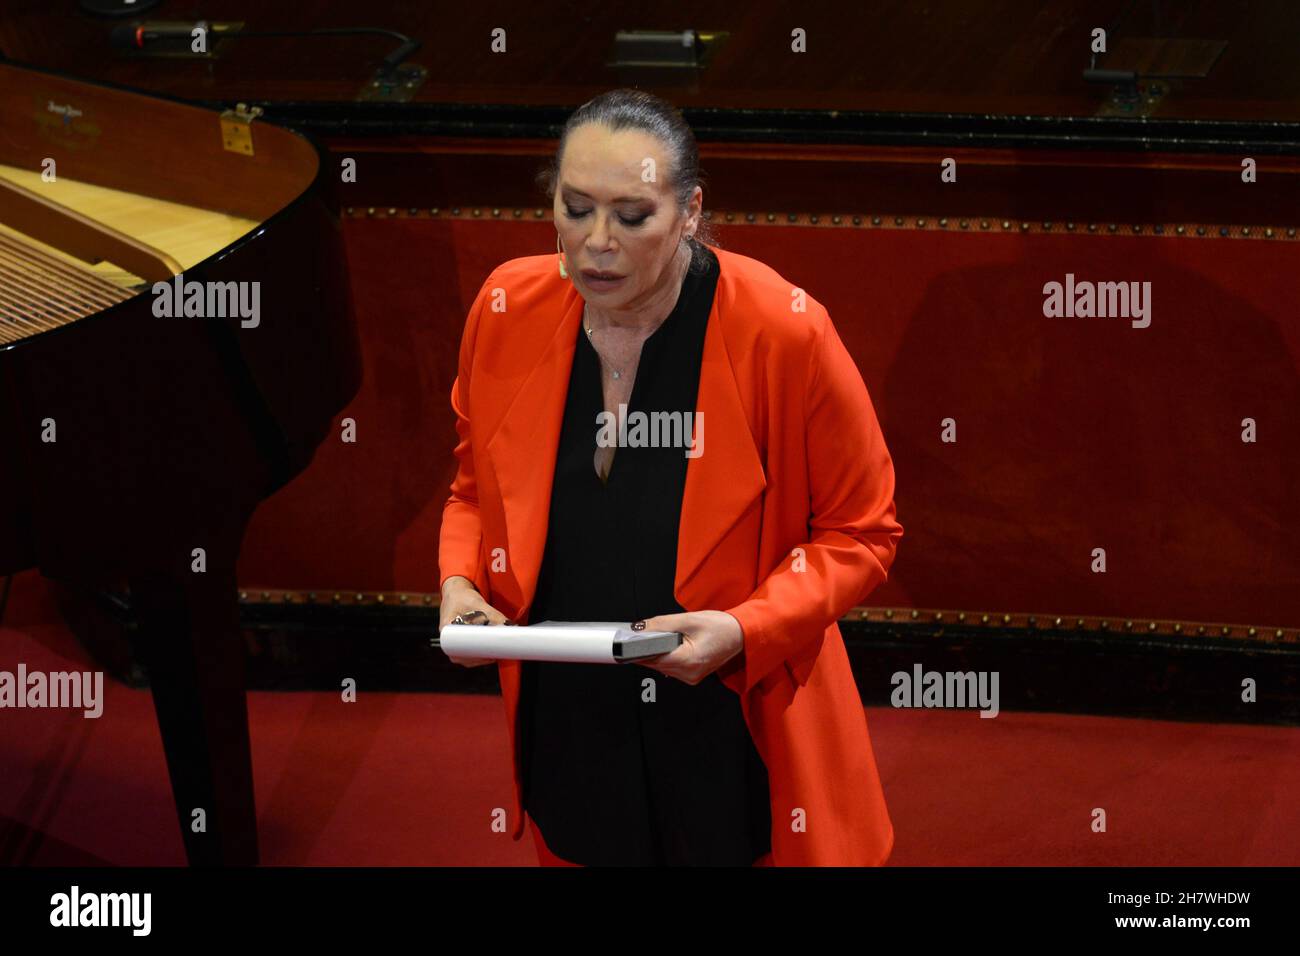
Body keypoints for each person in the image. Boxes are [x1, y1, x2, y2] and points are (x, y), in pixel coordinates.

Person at [438, 88, 902, 866]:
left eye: (631, 215)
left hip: (726, 710)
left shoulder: (783, 330)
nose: (596, 244)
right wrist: (458, 582)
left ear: (689, 211)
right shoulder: (505, 306)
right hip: (569, 707)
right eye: (575, 207)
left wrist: (745, 630)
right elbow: (473, 490)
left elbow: (863, 533)